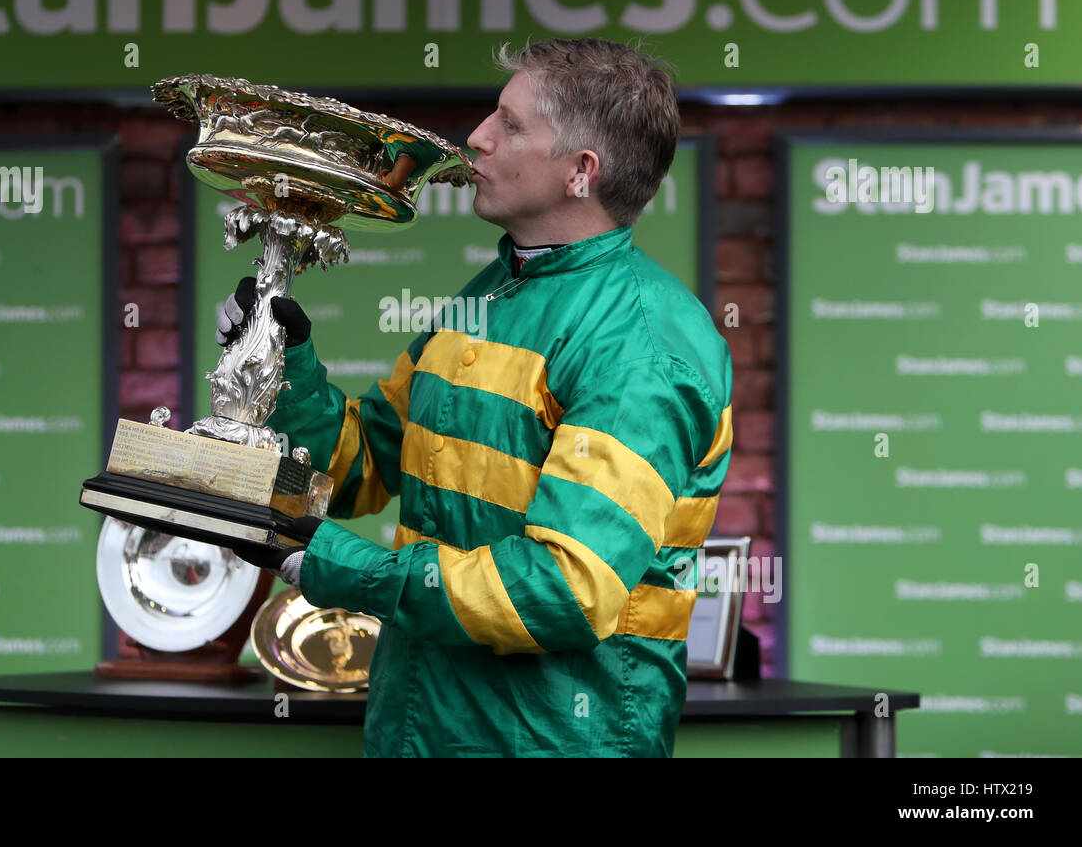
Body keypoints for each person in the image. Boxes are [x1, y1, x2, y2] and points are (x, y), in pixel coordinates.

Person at [220, 37, 733, 757]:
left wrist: (347, 569)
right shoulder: (488, 296)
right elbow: (363, 465)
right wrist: (286, 364)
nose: (477, 138)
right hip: (414, 729)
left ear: (582, 172)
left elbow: (566, 587)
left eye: (511, 124)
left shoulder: (642, 344)